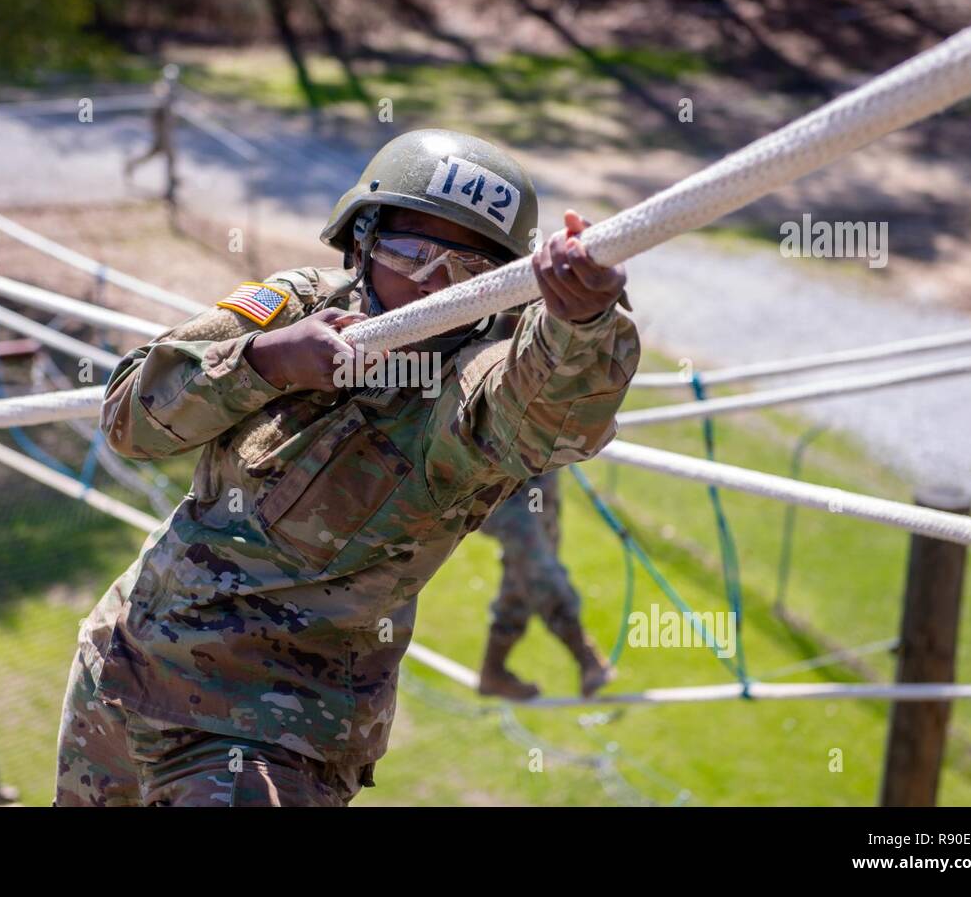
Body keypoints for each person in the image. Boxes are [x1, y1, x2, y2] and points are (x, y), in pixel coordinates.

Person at [54, 128, 640, 806]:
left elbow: (547, 414)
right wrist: (266, 363)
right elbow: (128, 419)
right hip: (119, 673)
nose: (434, 284)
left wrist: (582, 323)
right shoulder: (297, 305)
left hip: (268, 736)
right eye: (412, 254)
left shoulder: (469, 382)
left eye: (470, 270)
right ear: (363, 241)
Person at [476, 466, 615, 700]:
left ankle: (493, 670)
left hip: (538, 477)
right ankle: (585, 656)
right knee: (535, 566)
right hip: (500, 474)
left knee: (526, 567)